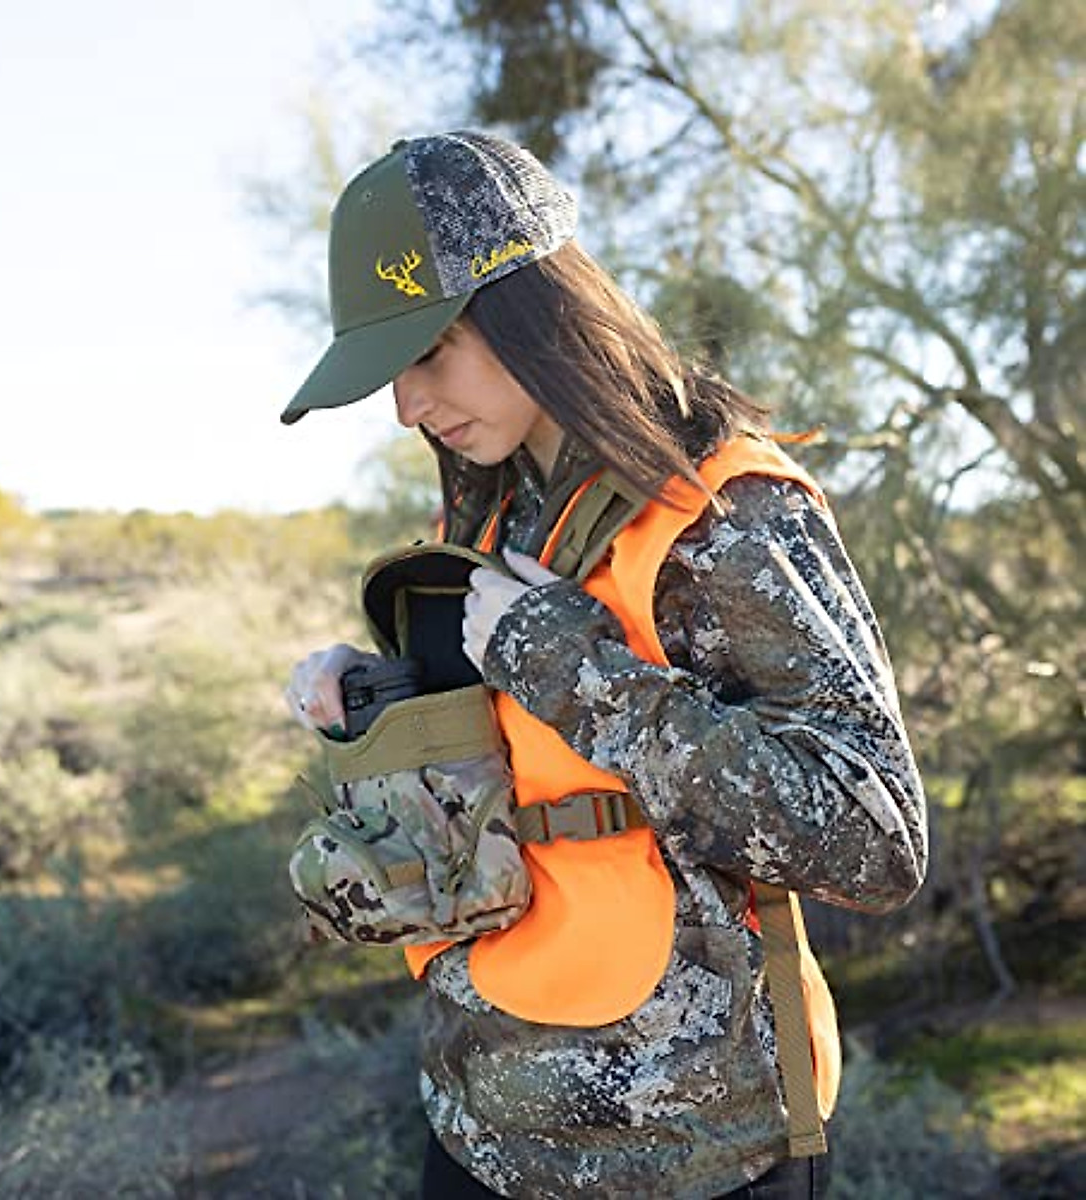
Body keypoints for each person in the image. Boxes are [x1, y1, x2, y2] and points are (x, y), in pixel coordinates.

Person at [281, 131, 927, 1199]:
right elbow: (523, 770)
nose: (406, 406)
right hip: (480, 1128)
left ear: (531, 314)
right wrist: (390, 699)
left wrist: (571, 670)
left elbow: (875, 839)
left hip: (690, 1159)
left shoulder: (724, 511)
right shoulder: (488, 512)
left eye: (431, 353)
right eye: (393, 371)